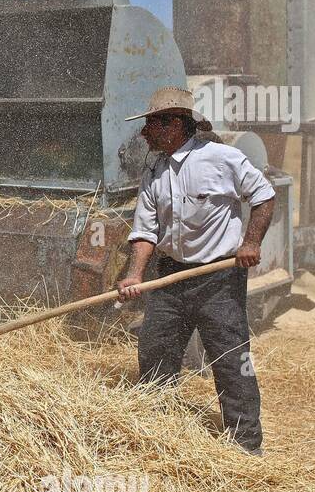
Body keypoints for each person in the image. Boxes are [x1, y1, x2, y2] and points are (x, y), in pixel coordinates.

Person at [115, 86, 276, 456]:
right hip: (170, 276)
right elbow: (145, 230)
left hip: (219, 279)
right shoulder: (154, 170)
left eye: (150, 124)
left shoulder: (222, 158)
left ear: (174, 124)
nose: (143, 133)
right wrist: (136, 275)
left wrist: (251, 242)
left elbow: (264, 195)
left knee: (232, 360)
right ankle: (159, 434)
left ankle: (246, 446)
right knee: (155, 351)